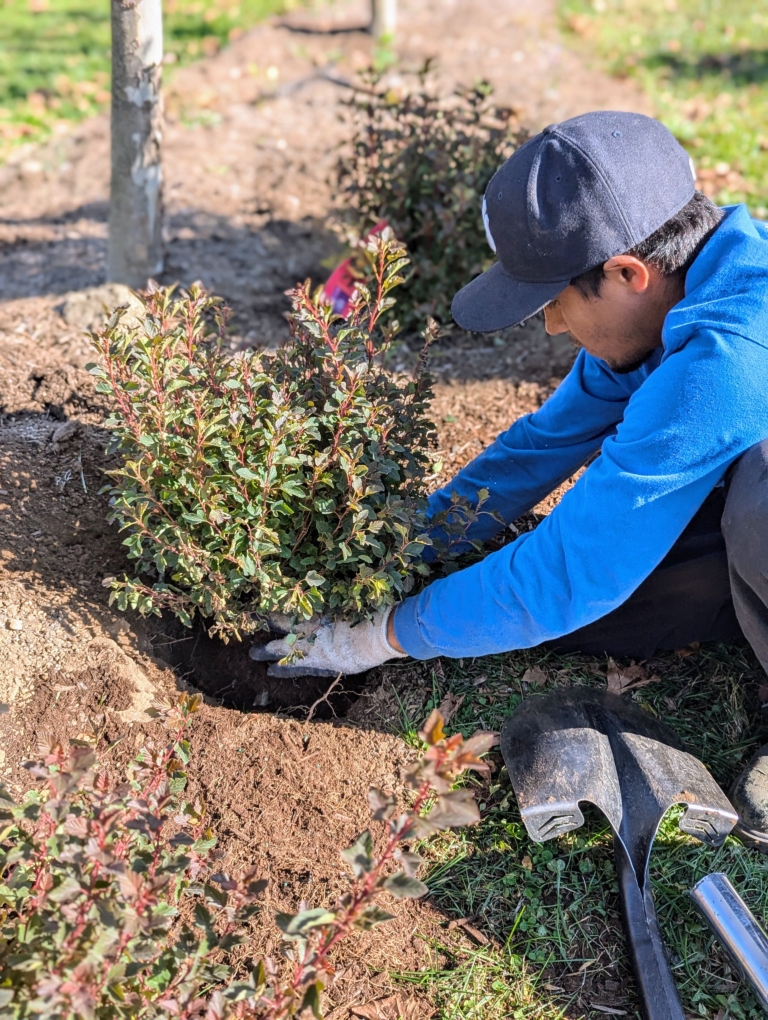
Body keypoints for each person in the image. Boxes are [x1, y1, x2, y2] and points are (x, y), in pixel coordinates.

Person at [253, 111, 768, 851]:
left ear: (628, 273)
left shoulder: (729, 353)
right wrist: (405, 549)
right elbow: (541, 447)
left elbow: (569, 573)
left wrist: (382, 636)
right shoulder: (668, 299)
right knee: (602, 616)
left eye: (555, 302)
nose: (553, 328)